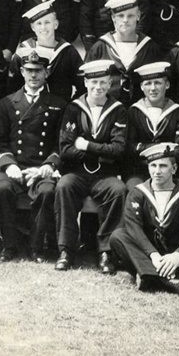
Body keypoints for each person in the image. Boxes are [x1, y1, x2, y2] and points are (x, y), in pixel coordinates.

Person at [110, 143, 179, 297]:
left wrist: (178, 255)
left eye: (163, 166)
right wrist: (153, 255)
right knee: (118, 236)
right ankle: (171, 281)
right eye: (153, 165)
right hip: (149, 254)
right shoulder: (138, 193)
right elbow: (133, 227)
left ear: (174, 169)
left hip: (176, 255)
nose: (157, 171)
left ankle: (149, 277)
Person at [0, 47, 66, 263]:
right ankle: (9, 245)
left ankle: (36, 247)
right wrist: (9, 165)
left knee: (45, 192)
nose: (33, 75)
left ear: (46, 72)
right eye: (29, 70)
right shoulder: (7, 103)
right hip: (14, 166)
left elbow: (60, 144)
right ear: (22, 72)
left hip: (40, 167)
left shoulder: (58, 105)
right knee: (2, 188)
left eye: (38, 70)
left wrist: (48, 166)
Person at [54, 59, 127, 273]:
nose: (99, 88)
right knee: (63, 186)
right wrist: (101, 151)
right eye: (94, 83)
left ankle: (106, 251)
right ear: (85, 83)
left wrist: (86, 145)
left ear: (110, 83)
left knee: (119, 190)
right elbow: (65, 149)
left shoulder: (118, 110)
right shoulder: (74, 108)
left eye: (104, 83)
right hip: (77, 173)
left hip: (105, 175)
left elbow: (119, 150)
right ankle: (66, 250)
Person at [85, 0, 165, 105]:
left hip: (141, 110)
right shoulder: (100, 47)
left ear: (138, 16)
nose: (125, 20)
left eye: (130, 15)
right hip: (109, 109)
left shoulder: (149, 47)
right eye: (120, 16)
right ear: (113, 18)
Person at [125, 62, 179, 187]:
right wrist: (164, 147)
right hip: (141, 171)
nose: (153, 88)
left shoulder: (178, 111)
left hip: (170, 172)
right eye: (148, 84)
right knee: (133, 188)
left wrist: (146, 148)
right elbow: (130, 147)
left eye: (158, 83)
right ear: (141, 87)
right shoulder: (134, 111)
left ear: (167, 85)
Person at [10, 0, 83, 101]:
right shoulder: (24, 50)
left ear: (56, 24)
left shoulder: (68, 52)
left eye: (47, 22)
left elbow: (83, 86)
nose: (43, 27)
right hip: (29, 111)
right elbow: (12, 86)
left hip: (59, 112)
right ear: (32, 27)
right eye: (39, 23)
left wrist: (69, 107)